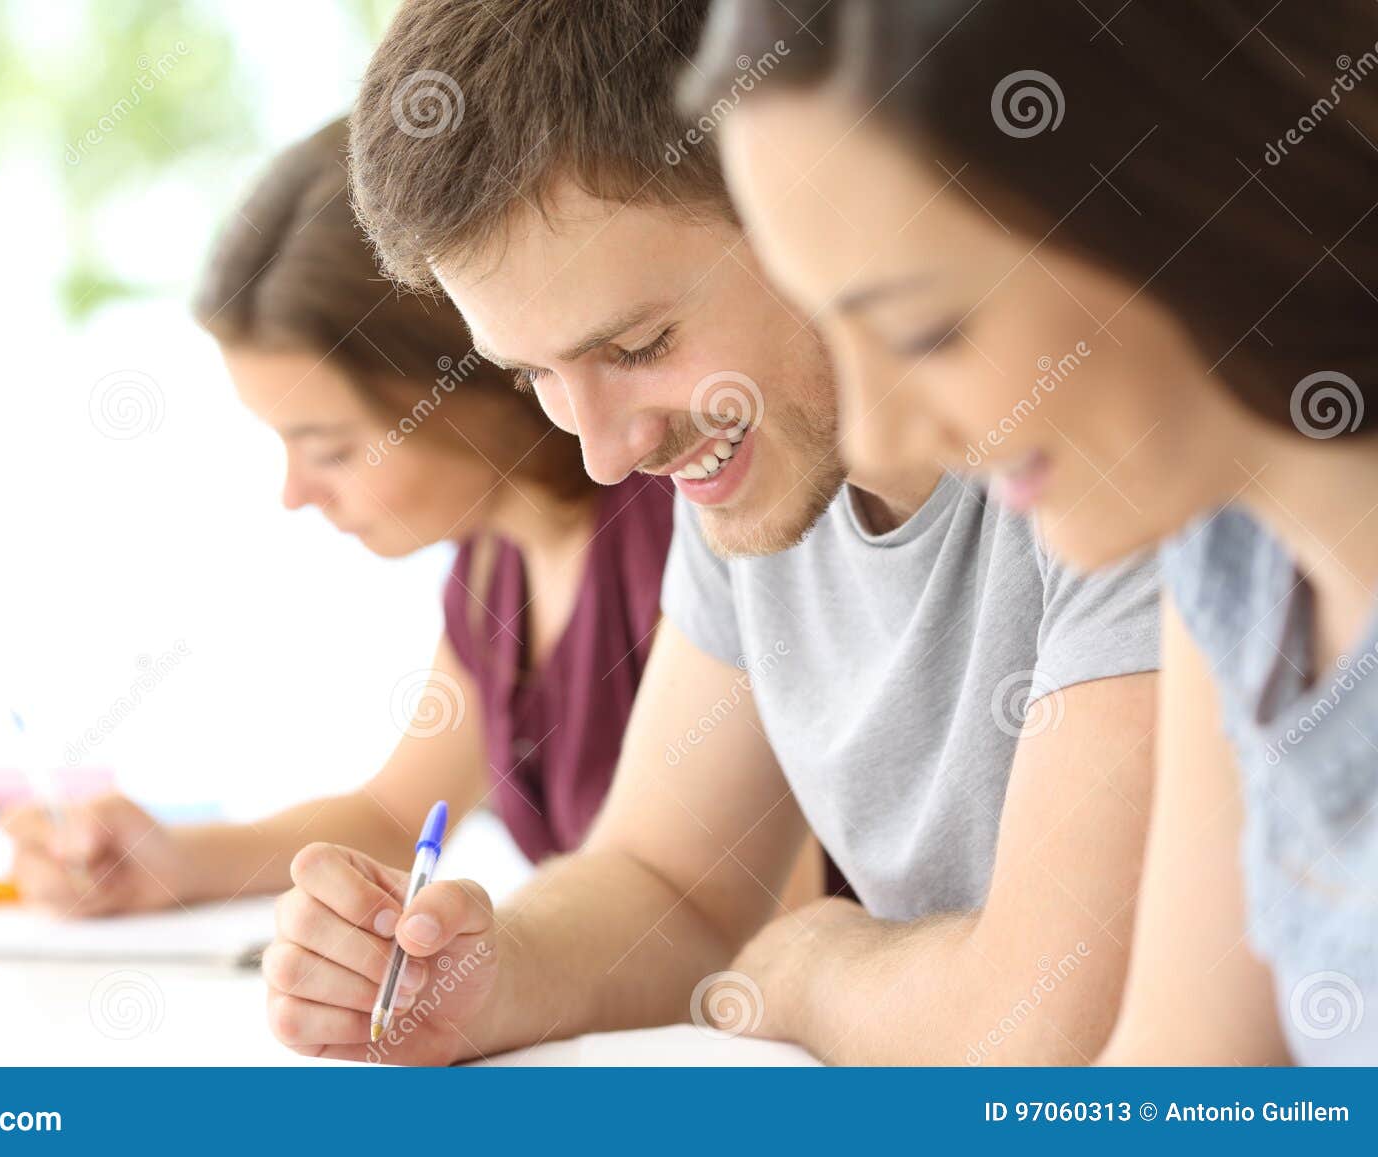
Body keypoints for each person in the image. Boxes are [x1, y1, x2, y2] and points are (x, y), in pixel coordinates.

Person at [261, 0, 1162, 1066]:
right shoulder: (747, 451)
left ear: (808, 204)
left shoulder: (1115, 444)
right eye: (535, 374)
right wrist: (485, 974)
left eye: (639, 344)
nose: (603, 453)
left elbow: (1047, 1024)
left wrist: (805, 965)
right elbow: (668, 883)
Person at [696, 0, 1378, 1063]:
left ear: (1180, 185)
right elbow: (1183, 1086)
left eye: (926, 329)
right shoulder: (1231, 556)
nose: (874, 437)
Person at [0, 118, 681, 916]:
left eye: (329, 447)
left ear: (474, 375)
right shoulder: (494, 568)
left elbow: (701, 900)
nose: (295, 492)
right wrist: (171, 860)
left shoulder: (668, 537)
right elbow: (393, 816)